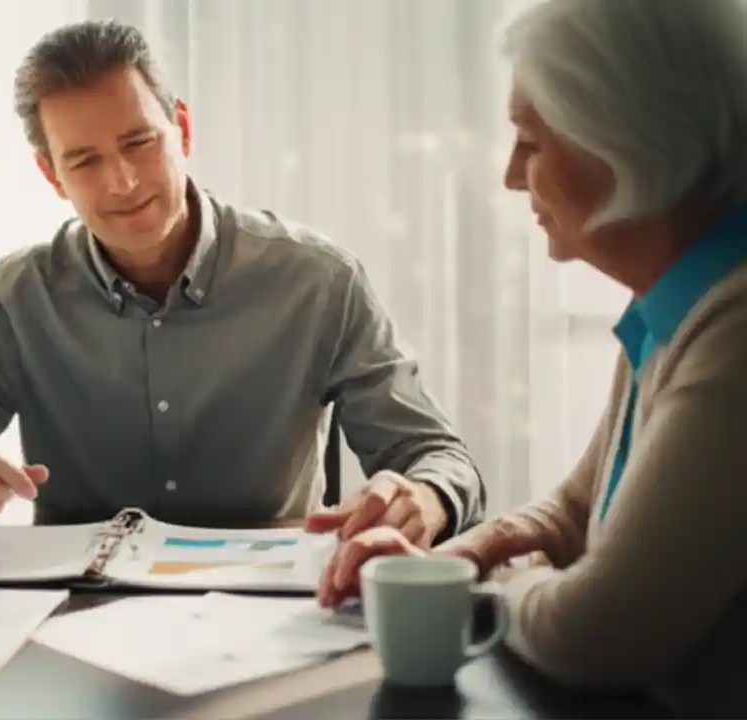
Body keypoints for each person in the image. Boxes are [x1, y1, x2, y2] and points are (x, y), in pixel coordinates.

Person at [0, 20, 485, 546]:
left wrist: (424, 498)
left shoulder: (320, 281)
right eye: (85, 161)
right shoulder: (16, 295)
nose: (124, 182)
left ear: (181, 129)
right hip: (75, 620)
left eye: (139, 143)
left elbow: (440, 460)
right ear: (52, 174)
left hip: (267, 614)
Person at [314, 1, 747, 715]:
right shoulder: (672, 308)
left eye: (530, 140)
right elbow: (575, 510)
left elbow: (599, 632)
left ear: (630, 138)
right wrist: (467, 557)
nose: (514, 176)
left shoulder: (732, 334)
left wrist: (495, 585)